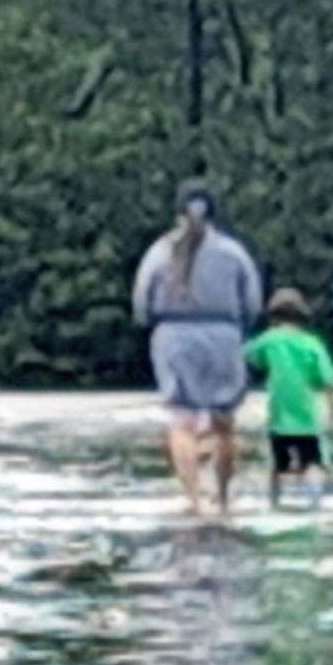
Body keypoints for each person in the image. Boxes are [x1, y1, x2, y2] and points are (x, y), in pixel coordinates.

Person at [132, 180, 264, 515]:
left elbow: (141, 302)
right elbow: (252, 301)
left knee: (182, 421)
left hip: (174, 336)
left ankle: (193, 500)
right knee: (224, 423)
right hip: (224, 335)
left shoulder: (160, 252)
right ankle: (222, 496)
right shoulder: (233, 252)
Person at [244, 287, 333, 508]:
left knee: (277, 467)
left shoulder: (267, 341)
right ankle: (314, 501)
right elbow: (329, 381)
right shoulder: (312, 344)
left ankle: (274, 502)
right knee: (313, 464)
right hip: (308, 419)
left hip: (279, 419)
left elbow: (250, 357)